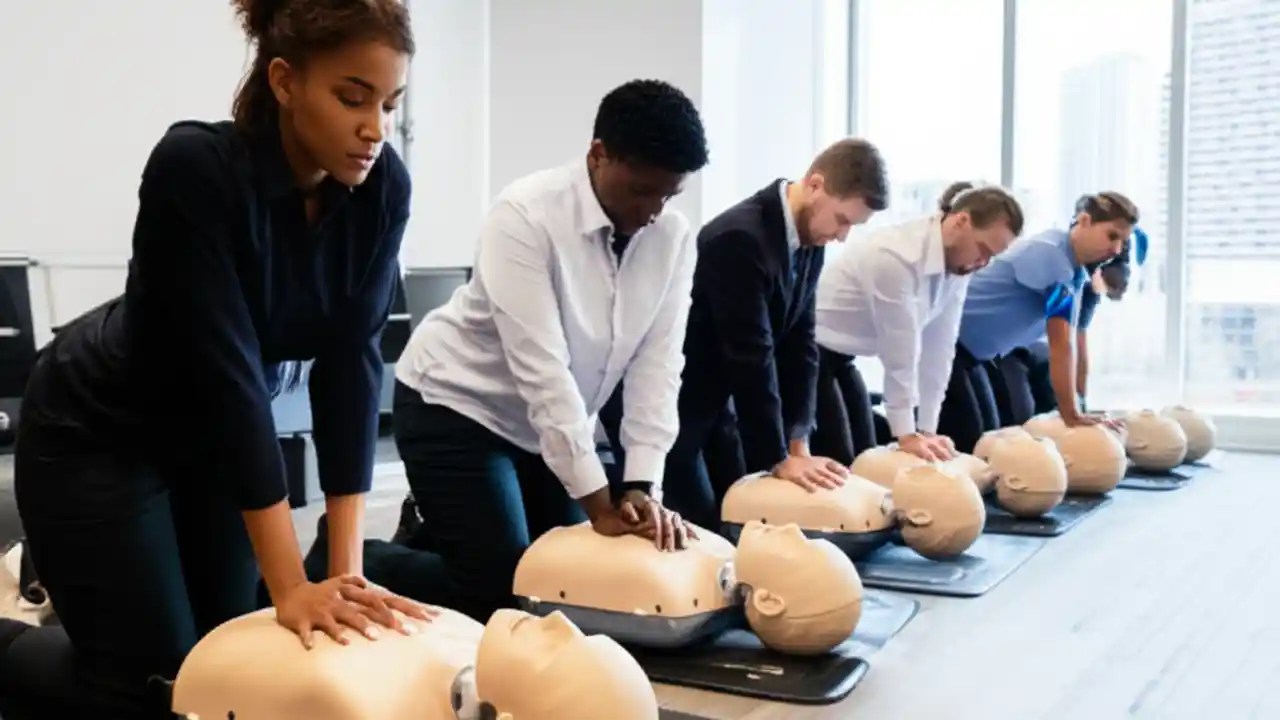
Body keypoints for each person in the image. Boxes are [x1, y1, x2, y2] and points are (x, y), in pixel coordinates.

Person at [0, 1, 429, 716]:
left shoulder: (382, 189)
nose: (375, 128)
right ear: (286, 81)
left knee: (228, 658)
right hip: (100, 430)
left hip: (210, 444)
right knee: (153, 689)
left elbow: (352, 368)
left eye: (390, 103)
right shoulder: (195, 168)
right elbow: (226, 378)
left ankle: (83, 576)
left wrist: (343, 574)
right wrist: (292, 586)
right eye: (353, 98)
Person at [384, 79, 710, 625]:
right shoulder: (524, 216)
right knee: (500, 594)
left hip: (543, 430)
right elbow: (544, 372)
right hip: (457, 406)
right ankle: (350, 561)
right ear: (598, 155)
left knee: (562, 582)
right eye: (640, 190)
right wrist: (599, 505)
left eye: (668, 195)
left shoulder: (672, 239)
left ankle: (436, 527)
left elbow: (659, 368)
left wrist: (639, 486)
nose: (653, 211)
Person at [662, 139, 887, 531]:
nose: (843, 236)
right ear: (815, 185)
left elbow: (802, 344)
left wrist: (798, 439)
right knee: (702, 522)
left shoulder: (809, 238)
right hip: (678, 403)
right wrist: (778, 456)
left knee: (743, 514)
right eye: (843, 220)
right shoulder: (738, 237)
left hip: (727, 402)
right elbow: (752, 354)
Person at [810, 182, 1024, 465]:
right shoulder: (896, 256)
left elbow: (940, 348)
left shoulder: (959, 266)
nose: (982, 263)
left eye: (991, 257)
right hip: (805, 353)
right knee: (845, 460)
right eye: (982, 249)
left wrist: (926, 429)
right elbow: (900, 350)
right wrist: (907, 435)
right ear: (961, 221)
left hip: (842, 357)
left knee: (865, 452)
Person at [936, 192, 1140, 453]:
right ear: (1084, 221)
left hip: (971, 355)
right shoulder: (1052, 256)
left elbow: (1073, 343)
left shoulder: (1074, 271)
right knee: (973, 445)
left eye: (1123, 241)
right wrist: (1071, 412)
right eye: (1112, 235)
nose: (1116, 250)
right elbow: (1061, 344)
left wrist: (1078, 405)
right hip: (943, 345)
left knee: (988, 443)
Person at [992, 240, 1140, 424]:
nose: (1101, 293)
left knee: (1053, 408)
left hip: (1038, 351)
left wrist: (1081, 401)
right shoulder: (1067, 277)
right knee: (1023, 415)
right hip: (1008, 348)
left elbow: (1078, 351)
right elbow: (1067, 347)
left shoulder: (1091, 291)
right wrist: (1077, 406)